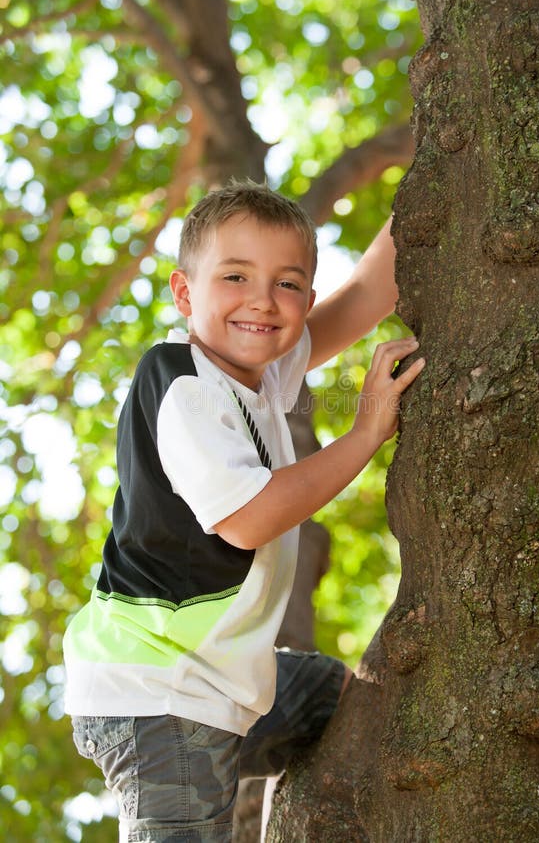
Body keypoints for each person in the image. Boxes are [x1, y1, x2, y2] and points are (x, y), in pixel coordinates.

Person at [63, 180, 425, 842]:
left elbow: (372, 293)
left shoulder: (262, 374)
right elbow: (250, 518)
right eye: (235, 276)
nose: (263, 300)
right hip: (158, 693)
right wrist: (365, 432)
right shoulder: (183, 384)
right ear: (184, 293)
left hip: (228, 684)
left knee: (337, 697)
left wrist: (433, 171)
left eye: (288, 284)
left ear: (306, 301)